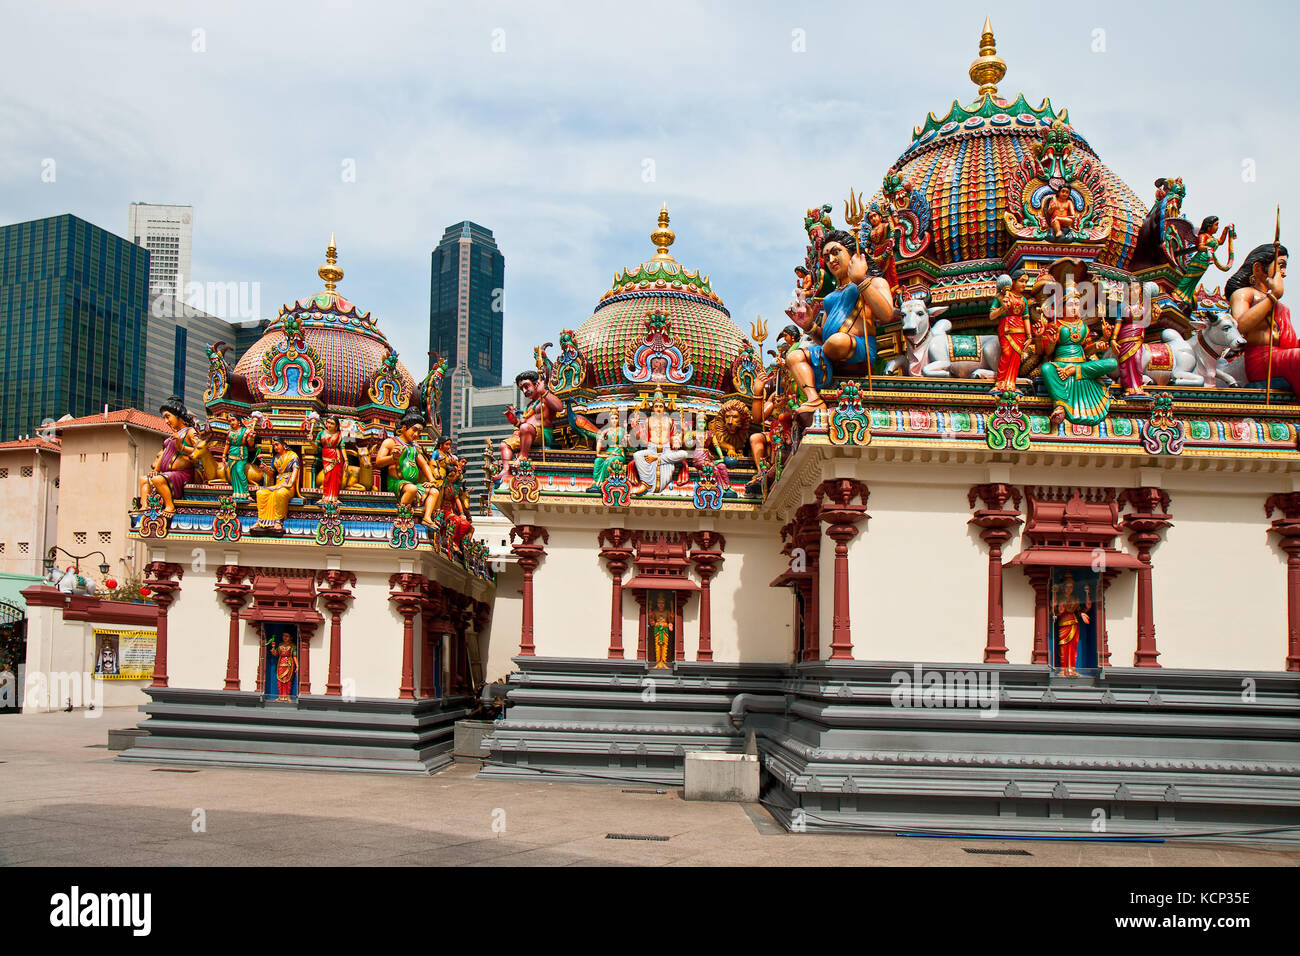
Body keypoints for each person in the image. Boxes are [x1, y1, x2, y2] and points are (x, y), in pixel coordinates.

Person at [785, 230, 893, 413]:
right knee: (793, 356)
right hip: (832, 350)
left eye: (836, 252)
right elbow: (824, 338)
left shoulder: (873, 282)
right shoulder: (831, 298)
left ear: (852, 253)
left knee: (837, 341)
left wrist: (860, 280)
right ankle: (813, 400)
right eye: (826, 257)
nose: (831, 260)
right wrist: (809, 326)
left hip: (859, 348)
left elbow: (887, 314)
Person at [1037, 280, 1117, 427]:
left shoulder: (1083, 326)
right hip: (1061, 364)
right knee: (1046, 368)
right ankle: (1059, 405)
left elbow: (1087, 350)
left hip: (1081, 365)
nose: (1074, 307)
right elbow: (1047, 352)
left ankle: (1076, 371)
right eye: (1070, 304)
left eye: (1077, 304)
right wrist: (1052, 341)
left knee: (1112, 363)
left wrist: (1102, 340)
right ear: (1062, 308)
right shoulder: (1056, 325)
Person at [1229, 242, 1291, 389]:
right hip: (1262, 362)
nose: (1284, 273)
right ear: (1258, 268)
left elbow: (1288, 342)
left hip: (1282, 359)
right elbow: (1239, 327)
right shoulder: (1245, 294)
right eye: (1281, 266)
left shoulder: (1282, 308)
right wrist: (1273, 296)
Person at [498, 370, 564, 481]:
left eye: (526, 386)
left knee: (525, 428)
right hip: (527, 434)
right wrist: (515, 421)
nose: (524, 391)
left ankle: (523, 456)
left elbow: (559, 407)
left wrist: (543, 392)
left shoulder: (545, 398)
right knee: (504, 444)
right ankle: (506, 470)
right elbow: (523, 424)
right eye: (522, 389)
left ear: (536, 384)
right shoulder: (528, 406)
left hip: (543, 434)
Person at [138, 396, 196, 515]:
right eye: (164, 418)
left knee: (158, 479)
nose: (166, 421)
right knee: (144, 480)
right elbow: (163, 454)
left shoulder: (190, 432)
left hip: (183, 474)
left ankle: (170, 506)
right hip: (167, 474)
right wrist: (157, 469)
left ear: (178, 415)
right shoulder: (172, 436)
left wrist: (181, 446)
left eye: (168, 416)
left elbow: (200, 450)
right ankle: (144, 507)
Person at [374, 410, 436, 511]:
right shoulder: (391, 442)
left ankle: (427, 518)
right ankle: (402, 515)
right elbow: (378, 462)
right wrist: (393, 458)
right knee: (412, 489)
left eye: (419, 432)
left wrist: (431, 480)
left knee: (434, 491)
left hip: (412, 484)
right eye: (414, 430)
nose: (416, 434)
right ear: (404, 428)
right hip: (396, 482)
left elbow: (424, 465)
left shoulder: (414, 448)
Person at [630, 391, 690, 494]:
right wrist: (634, 428)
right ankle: (646, 484)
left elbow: (674, 436)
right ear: (653, 408)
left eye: (661, 406)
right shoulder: (648, 421)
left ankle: (658, 459)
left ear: (664, 408)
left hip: (666, 451)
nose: (658, 409)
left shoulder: (670, 421)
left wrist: (680, 435)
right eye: (656, 406)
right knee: (637, 455)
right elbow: (642, 439)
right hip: (651, 450)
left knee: (684, 454)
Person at [1110, 281, 1159, 400]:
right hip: (1125, 336)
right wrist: (1113, 339)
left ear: (1141, 291)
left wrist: (1155, 314)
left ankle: (1138, 387)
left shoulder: (1143, 306)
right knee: (1125, 364)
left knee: (1137, 361)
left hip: (1138, 337)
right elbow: (1118, 323)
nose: (1134, 292)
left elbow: (1150, 321)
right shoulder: (1122, 306)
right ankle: (1128, 388)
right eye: (1131, 289)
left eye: (1137, 289)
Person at [989, 270, 1032, 394]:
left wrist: (1029, 336)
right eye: (1021, 281)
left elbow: (1026, 318)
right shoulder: (1001, 297)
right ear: (1012, 282)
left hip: (1020, 331)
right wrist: (1003, 308)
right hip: (1006, 329)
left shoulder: (1023, 300)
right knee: (1007, 354)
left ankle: (1010, 383)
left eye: (1026, 282)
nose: (1024, 284)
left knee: (1016, 358)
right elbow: (992, 315)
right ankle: (1000, 383)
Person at [1174, 216, 1234, 304]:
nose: (1217, 227)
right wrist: (1208, 248)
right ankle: (1176, 293)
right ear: (1209, 226)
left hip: (1206, 262)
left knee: (1195, 280)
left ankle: (1186, 297)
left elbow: (1220, 241)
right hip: (1199, 259)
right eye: (1216, 225)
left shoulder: (1212, 238)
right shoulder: (1203, 236)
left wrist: (1226, 230)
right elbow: (1200, 247)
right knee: (1189, 277)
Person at [253, 438, 300, 535]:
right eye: (273, 445)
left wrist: (290, 483)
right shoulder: (276, 458)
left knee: (280, 494)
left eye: (277, 444)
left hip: (288, 486)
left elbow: (296, 470)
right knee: (261, 493)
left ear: (283, 445)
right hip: (277, 484)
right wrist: (265, 469)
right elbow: (272, 473)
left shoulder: (292, 456)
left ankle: (278, 521)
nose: (275, 447)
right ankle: (262, 520)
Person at [1052, 572, 1092, 677]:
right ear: (1063, 587)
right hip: (1063, 624)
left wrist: (1087, 594)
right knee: (1063, 647)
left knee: (1073, 647)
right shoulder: (1060, 597)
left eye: (1071, 587)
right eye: (1067, 587)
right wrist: (1055, 594)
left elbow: (1082, 609)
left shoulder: (1075, 598)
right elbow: (1055, 610)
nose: (1069, 589)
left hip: (1074, 624)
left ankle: (1071, 668)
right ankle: (1063, 669)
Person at [311, 415, 347, 502]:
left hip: (336, 457)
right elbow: (315, 448)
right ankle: (325, 496)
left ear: (336, 426)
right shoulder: (321, 433)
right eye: (328, 423)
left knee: (335, 478)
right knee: (327, 477)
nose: (329, 425)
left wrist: (346, 460)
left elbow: (342, 448)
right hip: (326, 456)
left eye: (332, 423)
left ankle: (334, 497)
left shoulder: (339, 435)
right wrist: (311, 441)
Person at [650, 593, 673, 669]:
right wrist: (652, 621)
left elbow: (670, 621)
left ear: (664, 603)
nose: (661, 605)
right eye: (659, 603)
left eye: (662, 603)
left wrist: (670, 623)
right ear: (657, 604)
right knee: (657, 646)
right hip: (657, 629)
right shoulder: (654, 612)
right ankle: (658, 662)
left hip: (665, 630)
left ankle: (663, 661)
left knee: (664, 646)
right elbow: (651, 621)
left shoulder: (667, 612)